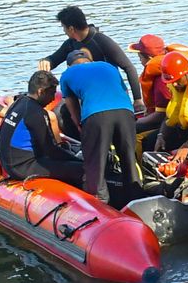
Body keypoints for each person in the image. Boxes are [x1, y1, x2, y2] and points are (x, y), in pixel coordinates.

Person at [59, 48, 144, 202]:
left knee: (95, 163)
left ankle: (100, 202)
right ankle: (135, 197)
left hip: (96, 115)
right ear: (90, 61)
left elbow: (71, 106)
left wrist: (80, 124)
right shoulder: (108, 66)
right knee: (128, 157)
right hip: (125, 112)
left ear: (69, 65)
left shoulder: (67, 74)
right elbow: (124, 92)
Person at [38, 6, 141, 110]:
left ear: (71, 29)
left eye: (63, 27)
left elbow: (129, 67)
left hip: (111, 93)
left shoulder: (101, 41)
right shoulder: (70, 44)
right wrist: (47, 61)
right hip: (89, 95)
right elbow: (54, 59)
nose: (64, 31)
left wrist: (137, 99)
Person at [0, 71, 85, 186]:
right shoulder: (35, 113)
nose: (53, 98)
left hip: (10, 162)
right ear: (40, 92)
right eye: (51, 93)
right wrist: (77, 160)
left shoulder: (20, 102)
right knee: (80, 169)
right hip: (23, 166)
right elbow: (50, 150)